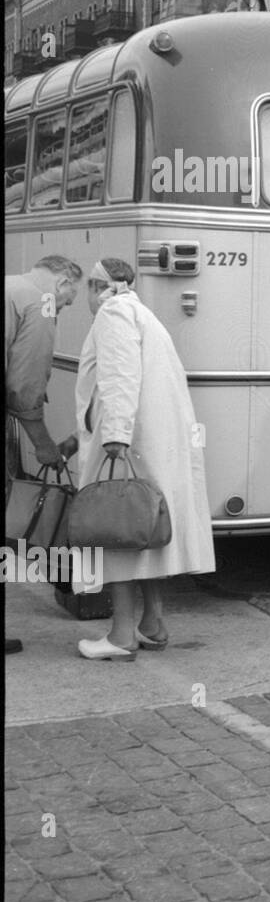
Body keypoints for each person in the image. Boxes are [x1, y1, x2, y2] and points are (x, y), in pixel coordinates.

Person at [73, 259, 215, 659]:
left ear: (97, 286)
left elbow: (119, 377)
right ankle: (151, 623)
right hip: (151, 442)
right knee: (144, 534)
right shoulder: (142, 313)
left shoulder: (112, 313)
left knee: (116, 531)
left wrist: (114, 436)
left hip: (128, 442)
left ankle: (120, 636)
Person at [5, 256, 83, 655]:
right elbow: (25, 384)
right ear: (64, 282)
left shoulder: (10, 285)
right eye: (71, 297)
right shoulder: (41, 302)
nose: (68, 306)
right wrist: (43, 443)